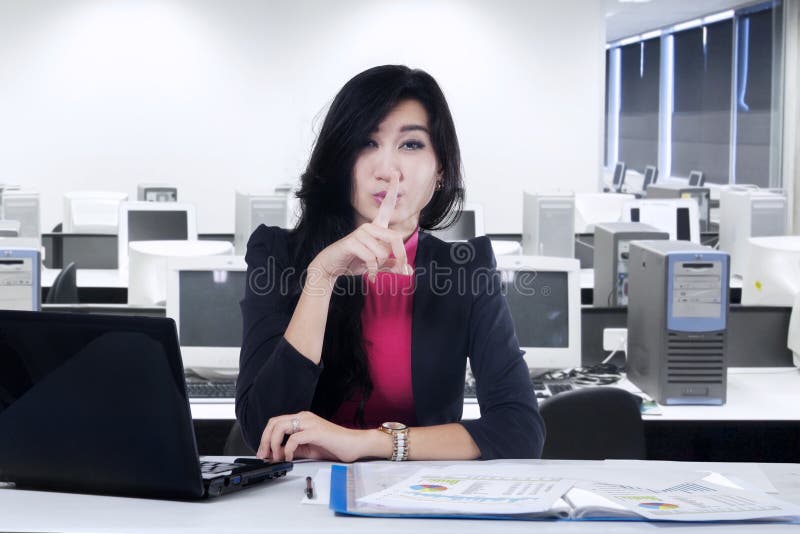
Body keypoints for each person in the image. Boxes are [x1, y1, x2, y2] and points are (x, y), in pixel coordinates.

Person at [236, 65, 544, 462]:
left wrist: (366, 443)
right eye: (367, 142)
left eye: (411, 145)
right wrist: (322, 276)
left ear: (440, 168)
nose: (387, 170)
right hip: (305, 491)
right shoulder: (277, 254)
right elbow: (261, 430)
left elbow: (520, 431)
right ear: (341, 161)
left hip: (421, 492)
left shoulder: (465, 269)